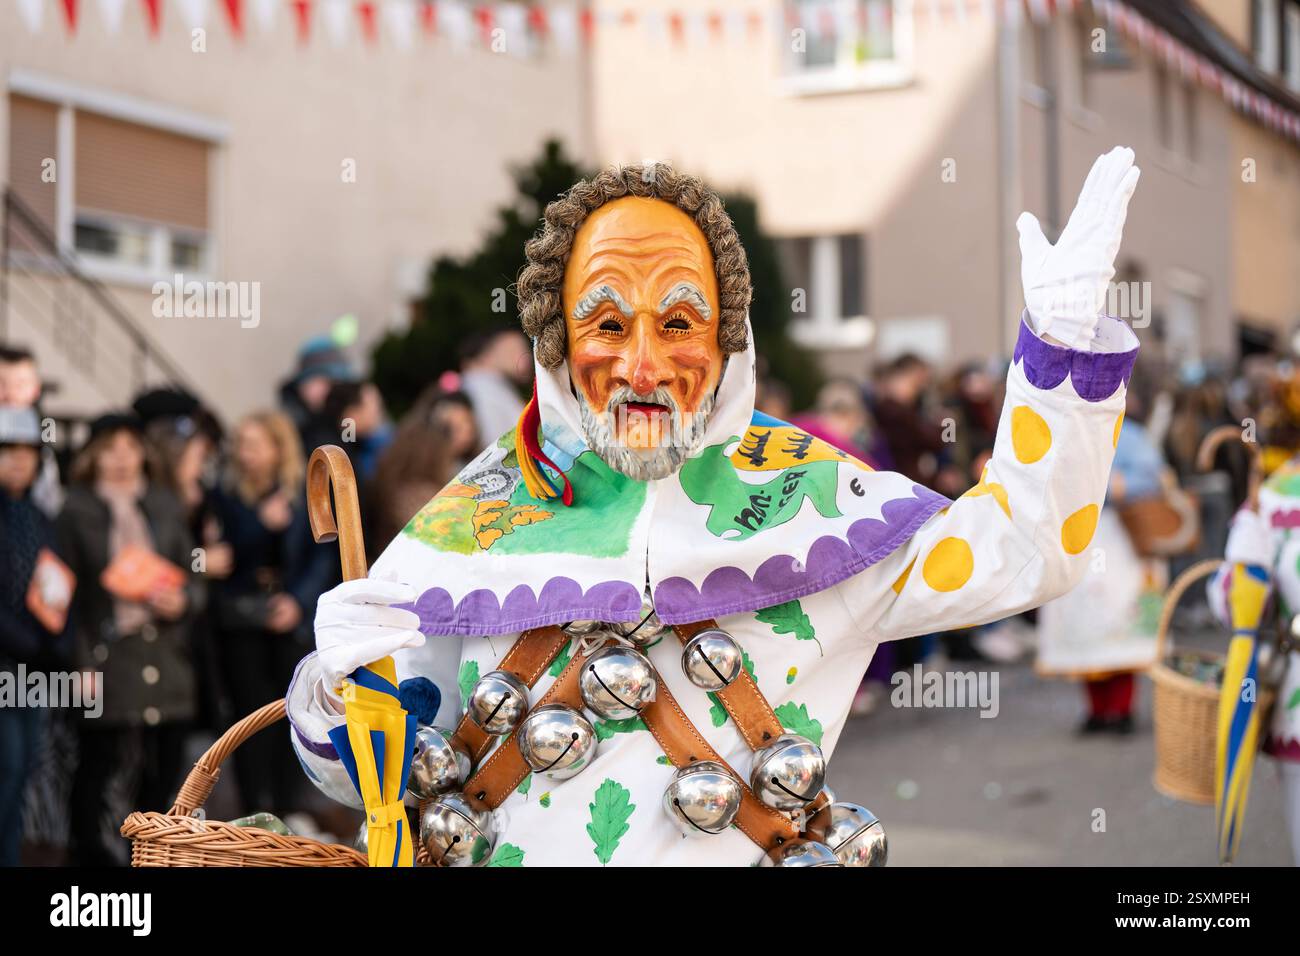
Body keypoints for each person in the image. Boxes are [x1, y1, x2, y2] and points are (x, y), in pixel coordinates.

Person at [289, 149, 1142, 866]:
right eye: (609, 325)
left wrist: (1060, 354)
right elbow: (378, 772)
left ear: (730, 336)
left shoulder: (816, 507)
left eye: (681, 320)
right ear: (554, 338)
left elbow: (1029, 545)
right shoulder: (471, 521)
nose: (646, 366)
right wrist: (331, 698)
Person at [60, 413, 200, 865]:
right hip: (105, 654)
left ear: (144, 453)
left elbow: (194, 574)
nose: (121, 458)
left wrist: (185, 601)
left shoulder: (163, 504)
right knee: (98, 762)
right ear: (92, 456)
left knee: (164, 764)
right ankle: (90, 856)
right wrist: (80, 664)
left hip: (163, 650)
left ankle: (149, 852)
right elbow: (67, 597)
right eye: (109, 448)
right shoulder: (74, 510)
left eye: (130, 447)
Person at [211, 411, 335, 817]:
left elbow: (323, 555)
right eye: (241, 444)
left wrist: (297, 601)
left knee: (294, 712)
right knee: (249, 718)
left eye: (254, 444)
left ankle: (286, 809)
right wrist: (261, 525)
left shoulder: (306, 492)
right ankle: (250, 810)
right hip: (242, 617)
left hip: (290, 615)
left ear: (278, 449)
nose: (245, 454)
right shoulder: (225, 494)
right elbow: (223, 560)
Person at [1037, 391, 1171, 733]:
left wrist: (1114, 485)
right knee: (1084, 624)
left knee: (1120, 619)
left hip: (1117, 537)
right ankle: (1097, 709)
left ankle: (1122, 708)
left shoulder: (1130, 436)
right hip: (1076, 537)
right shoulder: (1062, 433)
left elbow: (1153, 478)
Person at [0, 407, 72, 866]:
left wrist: (54, 647)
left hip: (35, 666)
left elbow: (58, 586)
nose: (19, 461)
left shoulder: (42, 517)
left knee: (22, 769)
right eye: (9, 451)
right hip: (8, 659)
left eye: (28, 452)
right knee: (7, 767)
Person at [278, 336, 355, 457]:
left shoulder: (348, 423)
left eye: (335, 384)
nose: (329, 391)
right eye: (321, 381)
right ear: (302, 385)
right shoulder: (289, 426)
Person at [458, 326, 530, 443]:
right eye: (513, 350)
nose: (526, 357)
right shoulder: (484, 384)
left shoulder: (484, 384)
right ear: (488, 354)